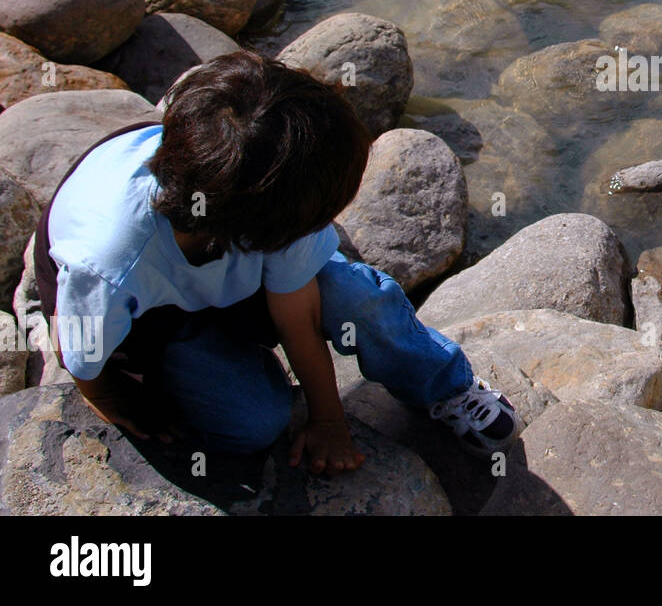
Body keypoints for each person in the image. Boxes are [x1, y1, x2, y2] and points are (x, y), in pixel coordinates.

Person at [33, 50, 519, 476]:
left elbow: (298, 313)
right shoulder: (111, 262)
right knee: (252, 425)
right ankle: (205, 361)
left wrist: (329, 419)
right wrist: (112, 395)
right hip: (157, 320)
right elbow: (81, 355)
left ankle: (444, 385)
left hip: (230, 249)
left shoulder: (262, 177)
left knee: (356, 297)